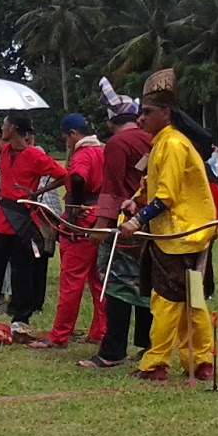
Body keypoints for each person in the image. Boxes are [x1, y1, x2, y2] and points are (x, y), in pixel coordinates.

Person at [118, 71, 218, 384]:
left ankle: (156, 364)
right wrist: (135, 201)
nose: (140, 119)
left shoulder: (173, 144)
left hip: (178, 234)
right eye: (139, 113)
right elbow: (152, 186)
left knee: (167, 301)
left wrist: (137, 220)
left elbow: (167, 196)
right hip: (189, 234)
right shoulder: (162, 144)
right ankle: (201, 362)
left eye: (147, 113)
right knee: (193, 299)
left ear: (166, 113)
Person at [0, 111, 70, 334]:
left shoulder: (35, 155)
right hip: (2, 218)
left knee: (22, 270)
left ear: (12, 128)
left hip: (22, 218)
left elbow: (62, 175)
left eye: (4, 125)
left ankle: (22, 316)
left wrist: (39, 190)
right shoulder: (4, 150)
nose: (1, 129)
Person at [84, 90, 153, 369]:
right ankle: (150, 346)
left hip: (126, 225)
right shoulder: (153, 138)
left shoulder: (117, 142)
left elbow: (111, 190)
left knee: (117, 286)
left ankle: (112, 351)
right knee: (146, 284)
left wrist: (101, 227)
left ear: (112, 119)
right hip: (152, 222)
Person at [31, 113, 107, 351]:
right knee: (97, 280)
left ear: (73, 134)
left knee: (71, 281)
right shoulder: (103, 151)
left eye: (66, 137)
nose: (66, 142)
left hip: (81, 222)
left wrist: (73, 210)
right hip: (100, 218)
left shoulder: (82, 153)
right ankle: (100, 330)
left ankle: (59, 335)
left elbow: (76, 177)